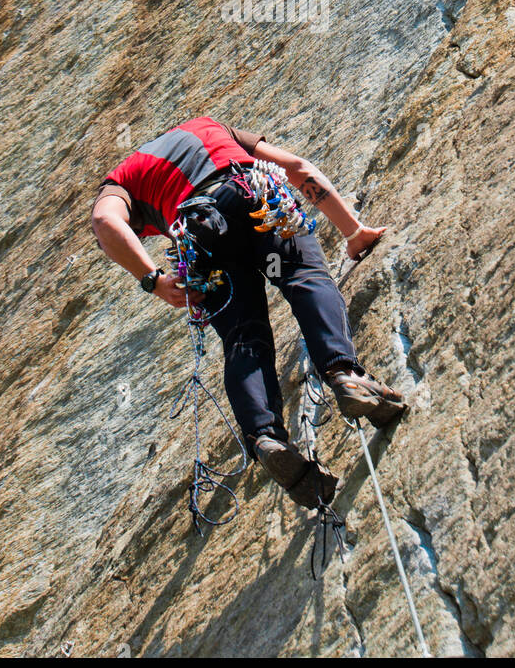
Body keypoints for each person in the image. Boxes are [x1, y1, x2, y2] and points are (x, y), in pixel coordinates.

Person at [90, 115, 406, 507]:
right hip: (252, 198)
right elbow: (297, 169)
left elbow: (105, 220)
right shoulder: (209, 128)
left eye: (137, 234)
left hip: (203, 238)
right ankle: (345, 375)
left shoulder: (118, 182)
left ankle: (266, 435)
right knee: (301, 276)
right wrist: (353, 231)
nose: (141, 236)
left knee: (242, 333)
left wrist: (152, 280)